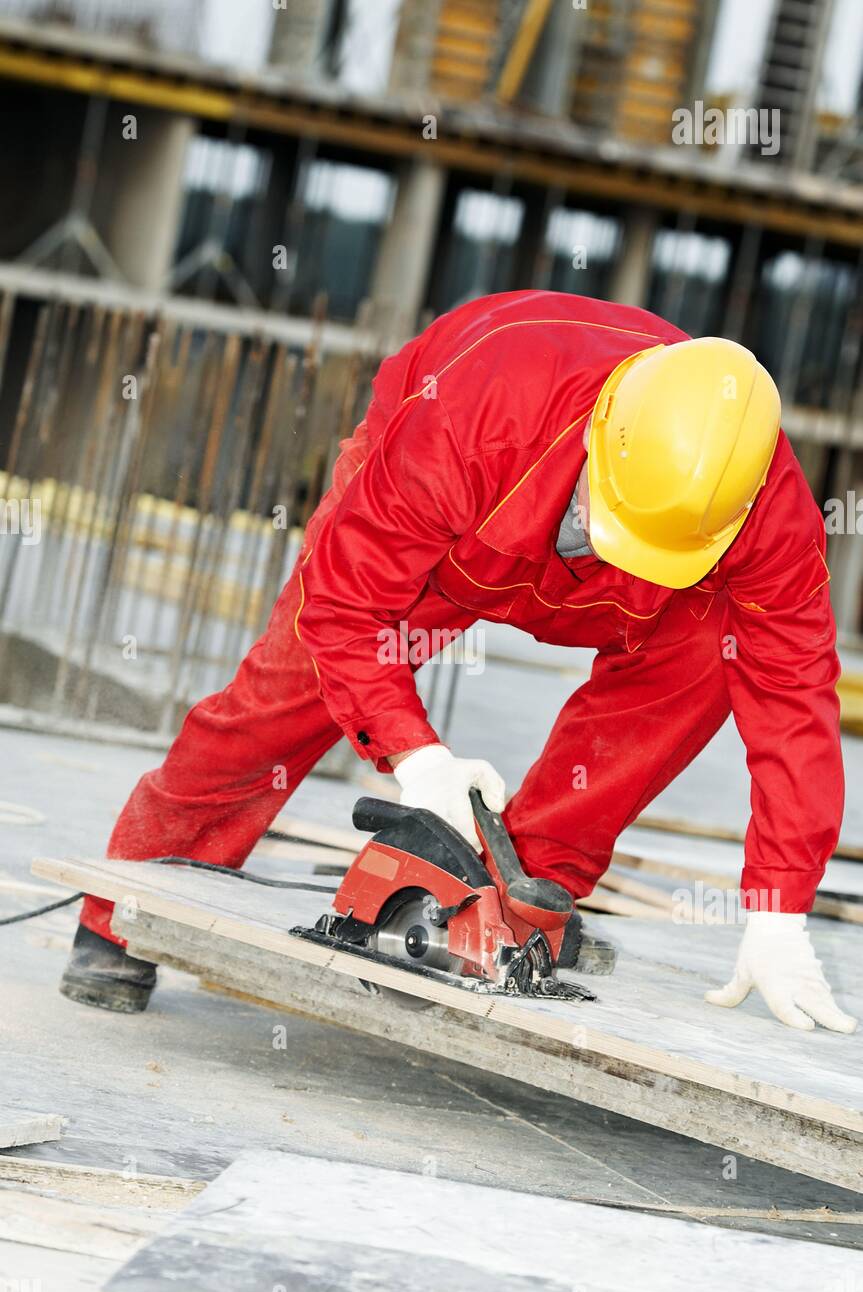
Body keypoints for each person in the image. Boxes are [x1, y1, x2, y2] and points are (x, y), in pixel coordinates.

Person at [61, 290, 854, 1035]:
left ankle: (517, 904)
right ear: (598, 433)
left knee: (708, 656)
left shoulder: (766, 513)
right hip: (451, 530)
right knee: (289, 689)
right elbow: (345, 609)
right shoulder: (470, 414)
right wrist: (415, 756)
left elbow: (794, 706)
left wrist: (778, 907)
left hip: (636, 588)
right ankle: (127, 907)